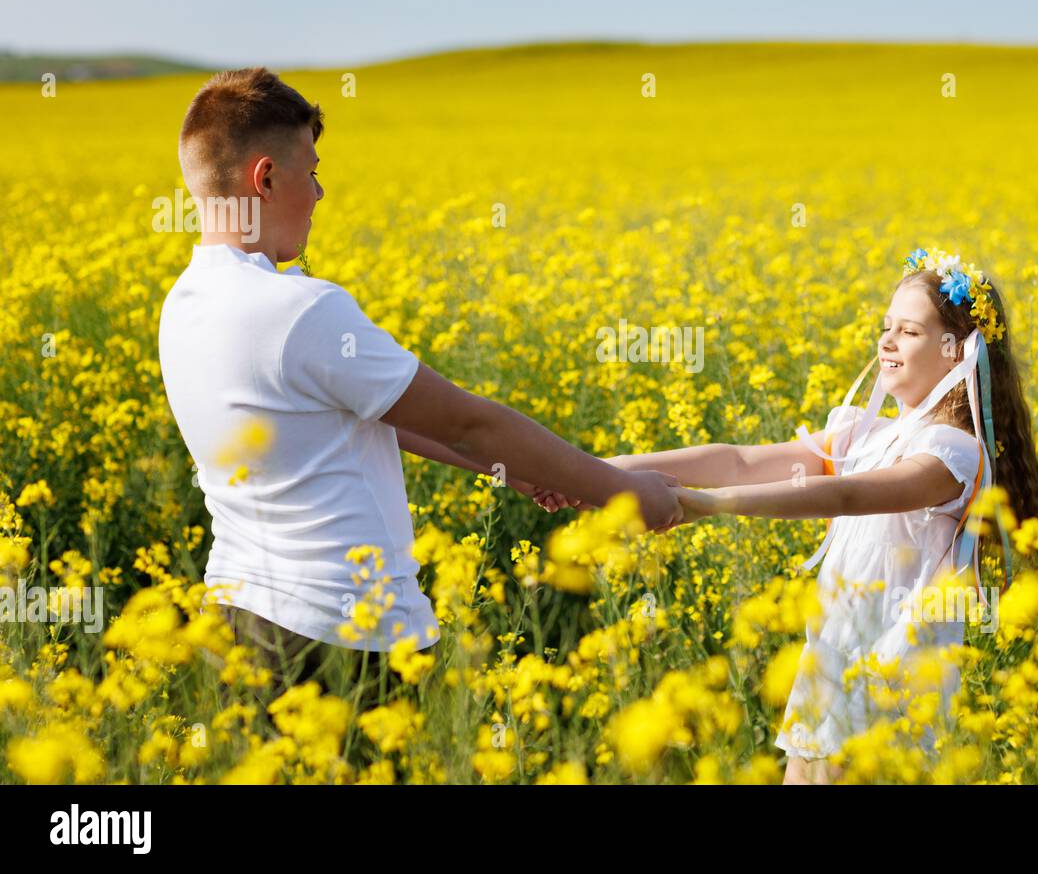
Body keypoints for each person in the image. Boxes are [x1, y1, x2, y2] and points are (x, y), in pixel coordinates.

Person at [158, 67, 682, 697]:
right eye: (312, 170)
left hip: (241, 621)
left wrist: (506, 468)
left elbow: (373, 418)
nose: (320, 193)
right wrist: (624, 494)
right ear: (265, 178)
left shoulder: (187, 302)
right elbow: (468, 422)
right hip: (339, 640)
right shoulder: (297, 311)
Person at [564, 248, 1038, 783]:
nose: (886, 342)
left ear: (957, 351)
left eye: (908, 332)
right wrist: (590, 472)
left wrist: (703, 504)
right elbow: (738, 459)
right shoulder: (866, 435)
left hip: (892, 684)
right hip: (830, 668)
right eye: (886, 326)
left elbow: (844, 496)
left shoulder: (956, 453)